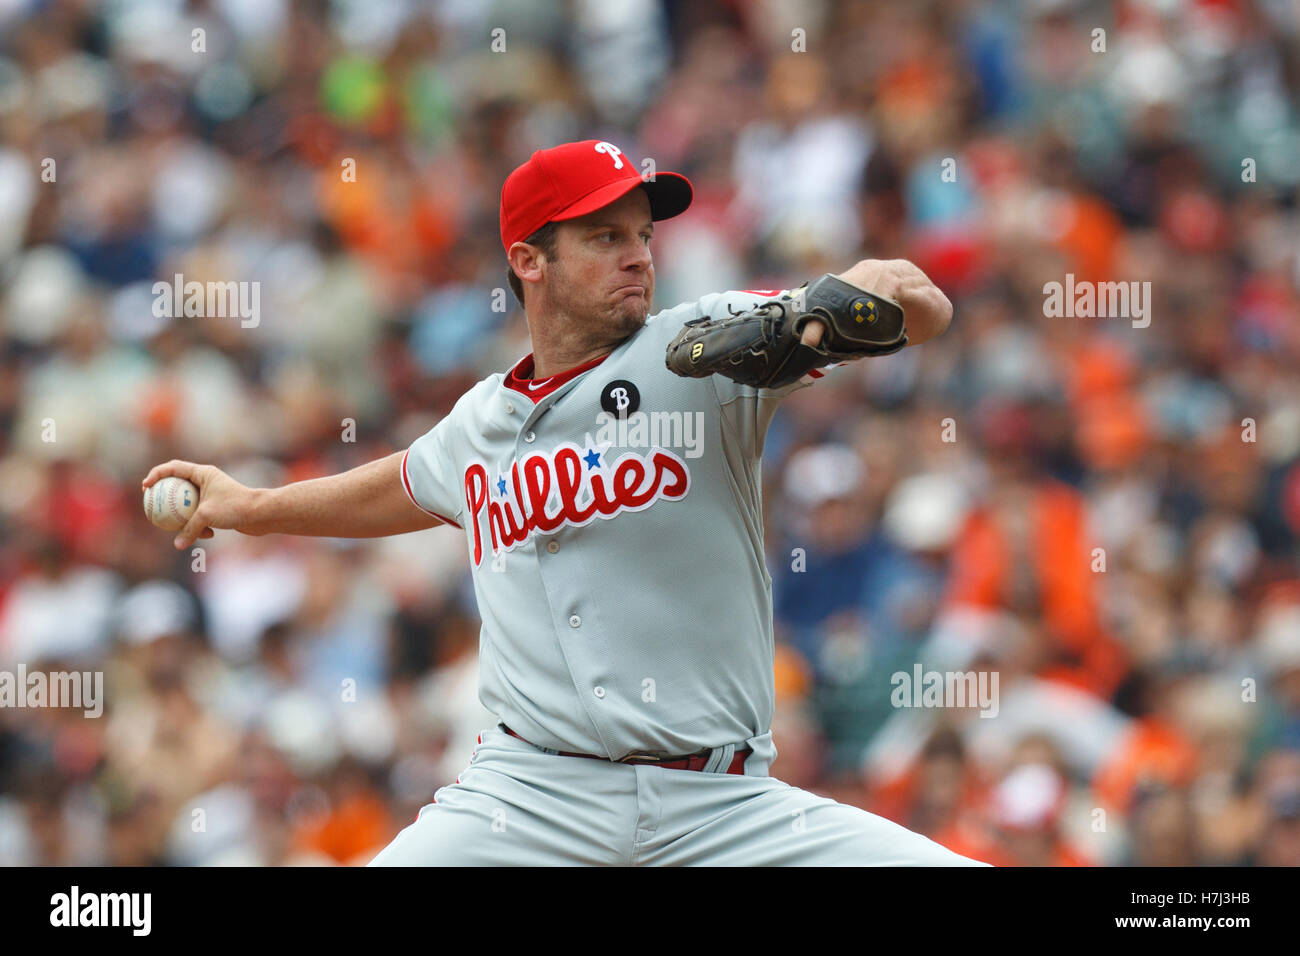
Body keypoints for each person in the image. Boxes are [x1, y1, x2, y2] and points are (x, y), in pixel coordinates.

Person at [143, 140, 986, 866]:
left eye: (644, 235)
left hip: (723, 806)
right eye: (605, 236)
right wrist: (249, 506)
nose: (639, 255)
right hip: (532, 796)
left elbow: (921, 302)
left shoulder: (704, 348)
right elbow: (395, 488)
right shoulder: (480, 423)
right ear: (528, 260)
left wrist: (827, 310)